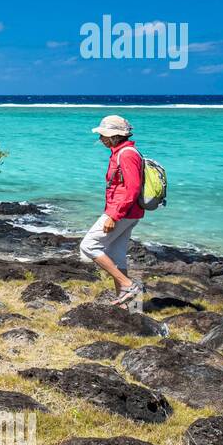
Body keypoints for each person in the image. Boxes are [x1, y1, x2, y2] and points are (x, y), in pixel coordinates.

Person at [79, 114, 145, 306]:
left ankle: (128, 285)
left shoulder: (127, 154)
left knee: (89, 245)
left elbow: (132, 188)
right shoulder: (121, 152)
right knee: (116, 255)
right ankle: (125, 304)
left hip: (122, 212)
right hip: (128, 212)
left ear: (115, 136)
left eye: (103, 135)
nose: (100, 139)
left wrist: (113, 216)